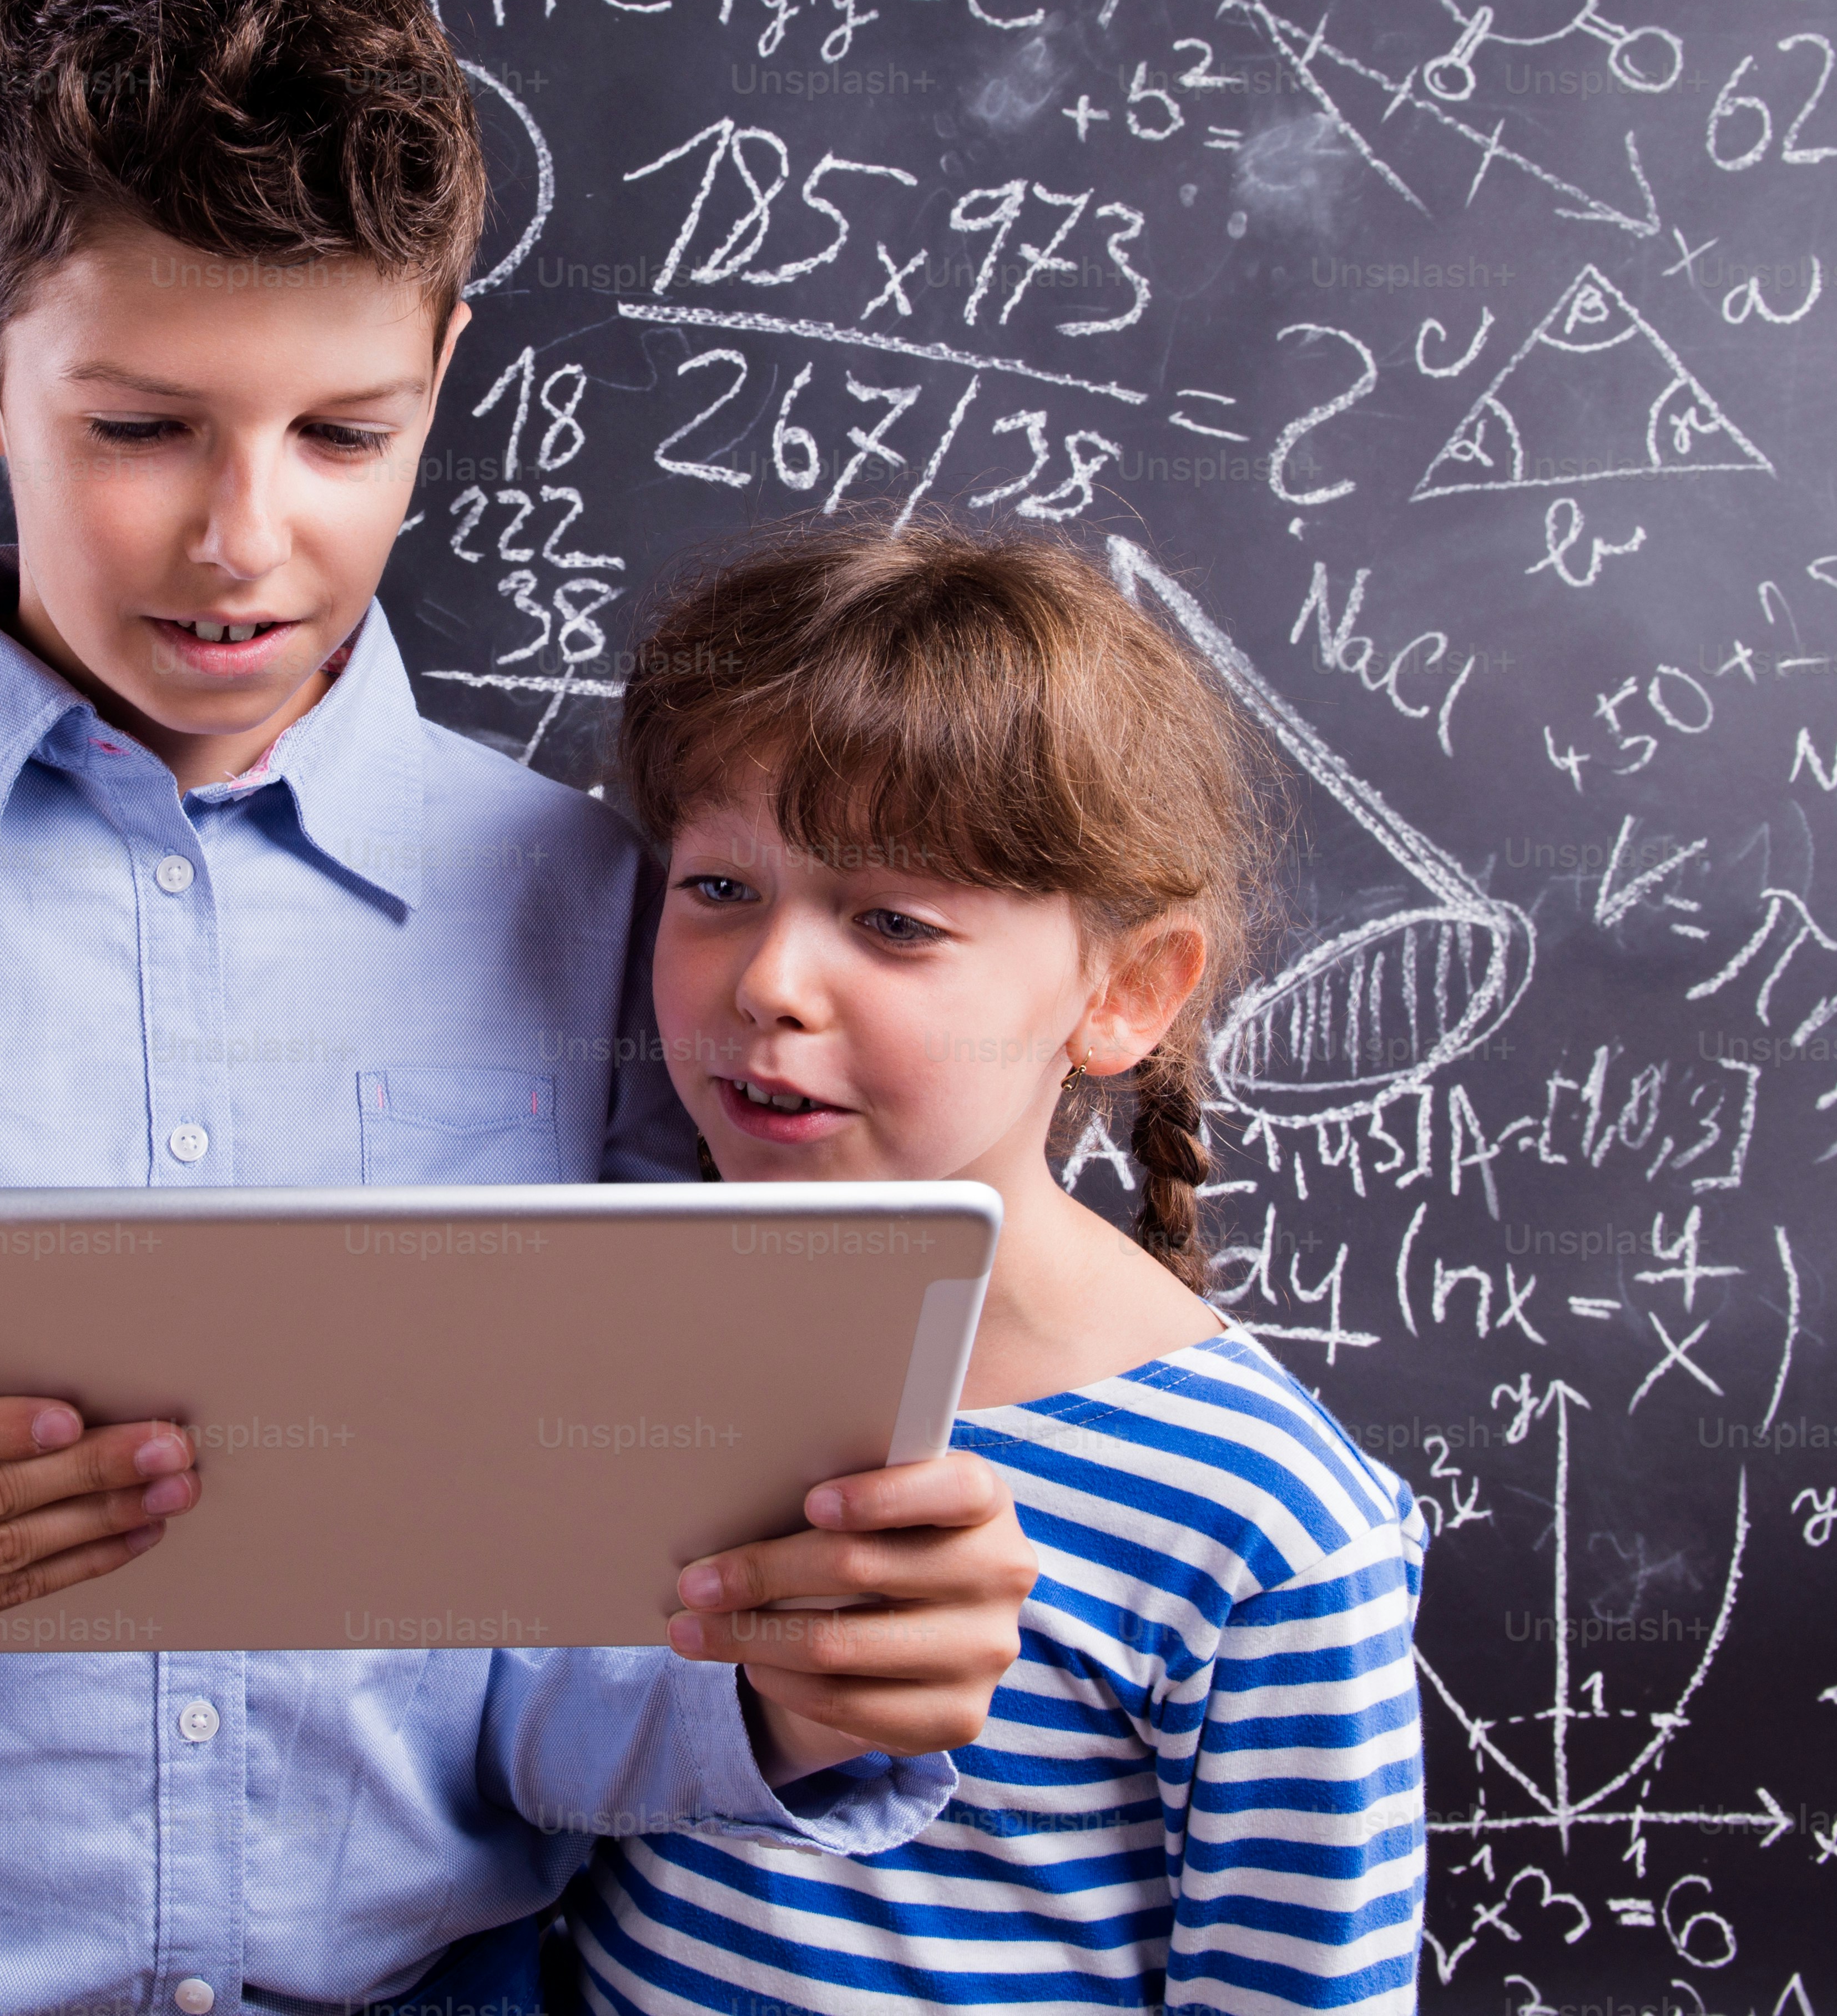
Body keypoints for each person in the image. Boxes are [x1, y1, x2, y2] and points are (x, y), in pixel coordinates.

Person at [0, 0, 1040, 2013]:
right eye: (140, 429)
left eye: (343, 435)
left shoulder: (596, 898)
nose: (248, 541)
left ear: (442, 376)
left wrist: (803, 1694)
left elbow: (576, 1698)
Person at [574, 514, 1429, 2015]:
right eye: (719, 889)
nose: (770, 983)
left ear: (1123, 993)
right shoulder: (629, 1346)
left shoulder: (1263, 1525)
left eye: (892, 922)